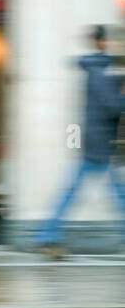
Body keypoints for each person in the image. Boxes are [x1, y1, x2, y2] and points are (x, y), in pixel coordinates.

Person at [36, 25, 125, 259]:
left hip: (98, 141)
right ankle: (47, 237)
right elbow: (111, 105)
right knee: (113, 194)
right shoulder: (100, 70)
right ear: (102, 43)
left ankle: (48, 236)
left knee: (81, 191)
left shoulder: (102, 69)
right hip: (99, 143)